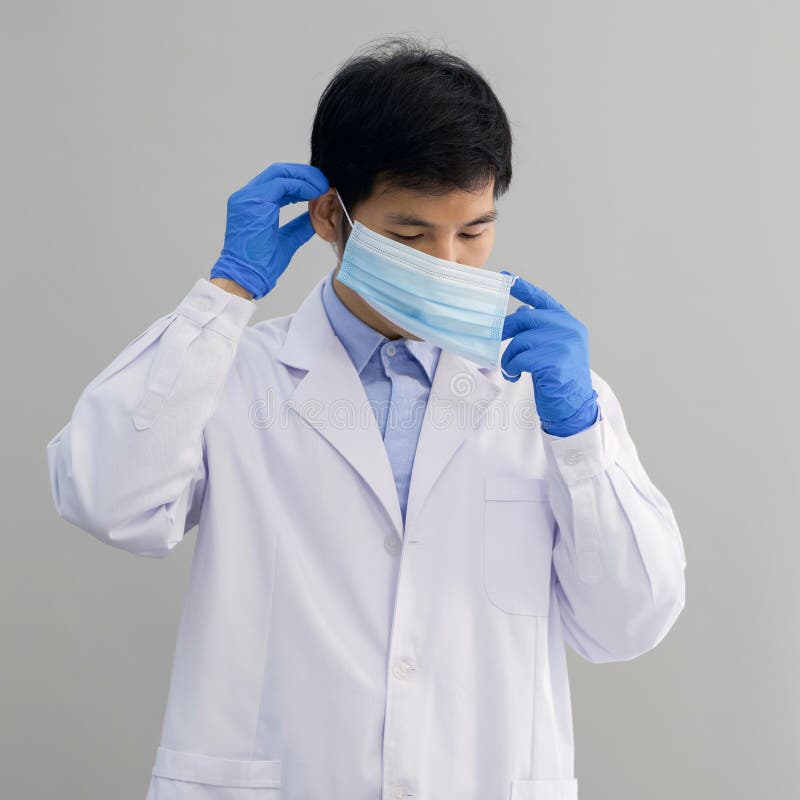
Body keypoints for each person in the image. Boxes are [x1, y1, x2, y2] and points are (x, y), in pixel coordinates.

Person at [46, 36, 686, 800]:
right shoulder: (233, 376)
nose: (448, 262)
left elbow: (628, 623)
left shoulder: (546, 401)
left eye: (474, 231)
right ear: (330, 217)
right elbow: (106, 497)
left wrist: (580, 438)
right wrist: (224, 293)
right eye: (411, 236)